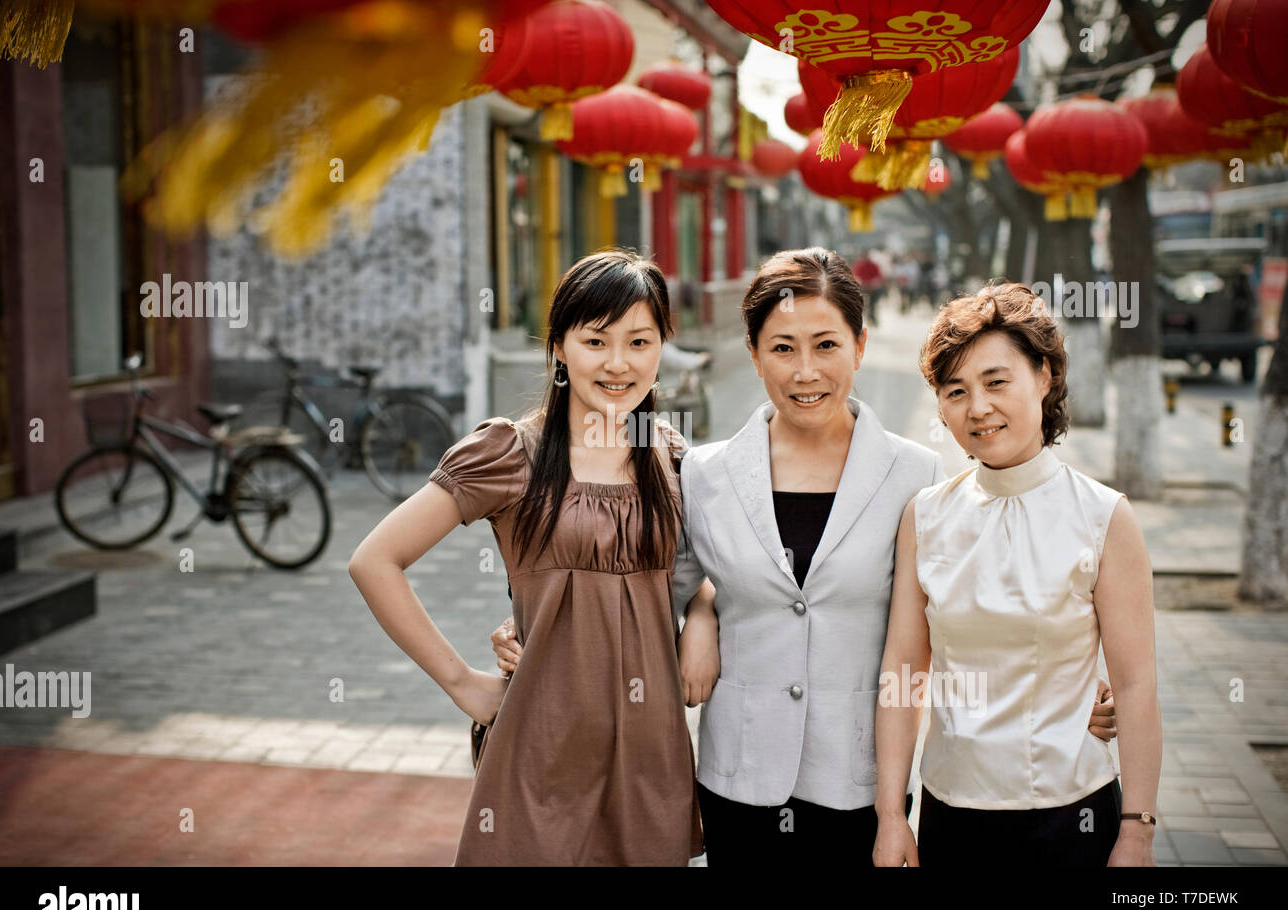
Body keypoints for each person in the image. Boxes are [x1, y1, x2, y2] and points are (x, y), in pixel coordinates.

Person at [493, 252, 1117, 867]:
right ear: (754, 355)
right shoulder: (706, 473)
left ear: (860, 346)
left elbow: (960, 611)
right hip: (739, 781)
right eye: (783, 348)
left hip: (860, 785)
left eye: (826, 345)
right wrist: (697, 610)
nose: (805, 371)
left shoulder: (915, 475)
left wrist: (1062, 683)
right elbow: (649, 588)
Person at [349, 250, 705, 866]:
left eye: (639, 342)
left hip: (651, 753)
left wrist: (703, 617)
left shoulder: (672, 458)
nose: (618, 363)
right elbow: (374, 560)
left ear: (660, 348)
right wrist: (463, 684)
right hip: (542, 748)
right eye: (595, 341)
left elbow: (713, 571)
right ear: (560, 347)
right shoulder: (510, 453)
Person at [873, 282, 1161, 867]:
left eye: (996, 382)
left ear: (1044, 376)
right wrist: (891, 815)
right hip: (952, 812)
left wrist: (1137, 831)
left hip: (1072, 814)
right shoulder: (924, 518)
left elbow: (1135, 685)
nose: (978, 407)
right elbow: (903, 672)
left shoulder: (1104, 516)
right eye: (956, 391)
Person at [853, 249, 884, 326]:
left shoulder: (874, 265)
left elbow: (878, 276)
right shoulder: (859, 265)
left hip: (873, 288)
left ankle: (873, 318)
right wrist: (862, 283)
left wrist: (873, 283)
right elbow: (855, 276)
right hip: (863, 287)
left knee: (873, 304)